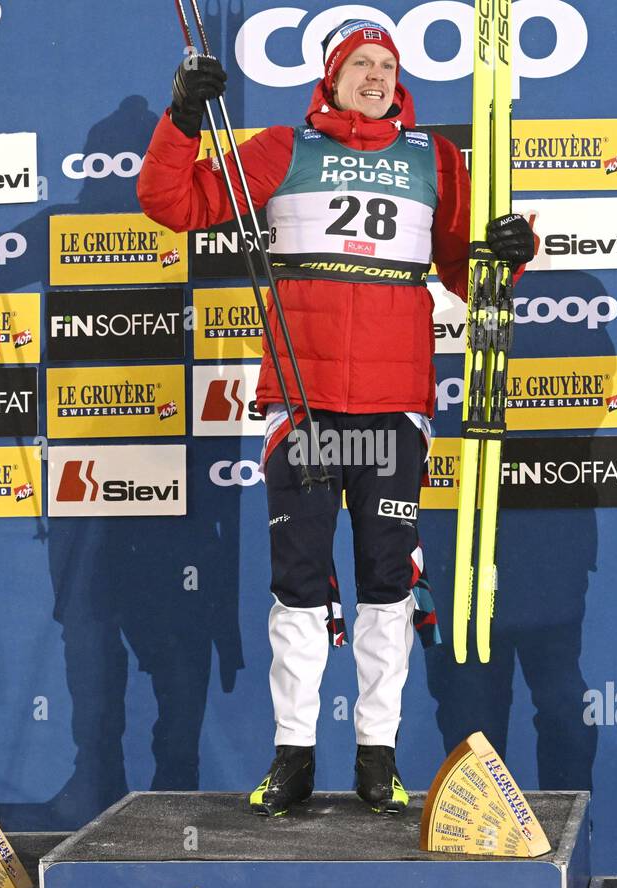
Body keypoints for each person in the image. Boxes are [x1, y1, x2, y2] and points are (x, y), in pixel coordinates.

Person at [139, 20, 534, 815]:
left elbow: (469, 276)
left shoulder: (436, 159)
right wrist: (182, 119)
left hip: (395, 409)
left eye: (387, 65)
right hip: (304, 400)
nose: (376, 76)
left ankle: (378, 756)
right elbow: (169, 200)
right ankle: (293, 755)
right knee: (299, 586)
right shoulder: (283, 148)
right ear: (330, 76)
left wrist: (511, 252)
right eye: (360, 63)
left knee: (389, 587)